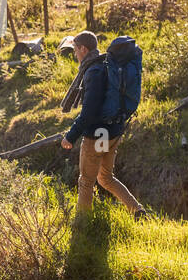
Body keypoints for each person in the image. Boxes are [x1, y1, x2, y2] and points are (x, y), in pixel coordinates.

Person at [59, 30, 146, 220]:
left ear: (83, 48)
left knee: (86, 181)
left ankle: (82, 225)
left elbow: (88, 112)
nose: (75, 55)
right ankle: (137, 211)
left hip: (99, 133)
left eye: (75, 50)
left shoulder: (94, 71)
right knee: (105, 177)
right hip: (113, 130)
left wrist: (70, 136)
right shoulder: (106, 64)